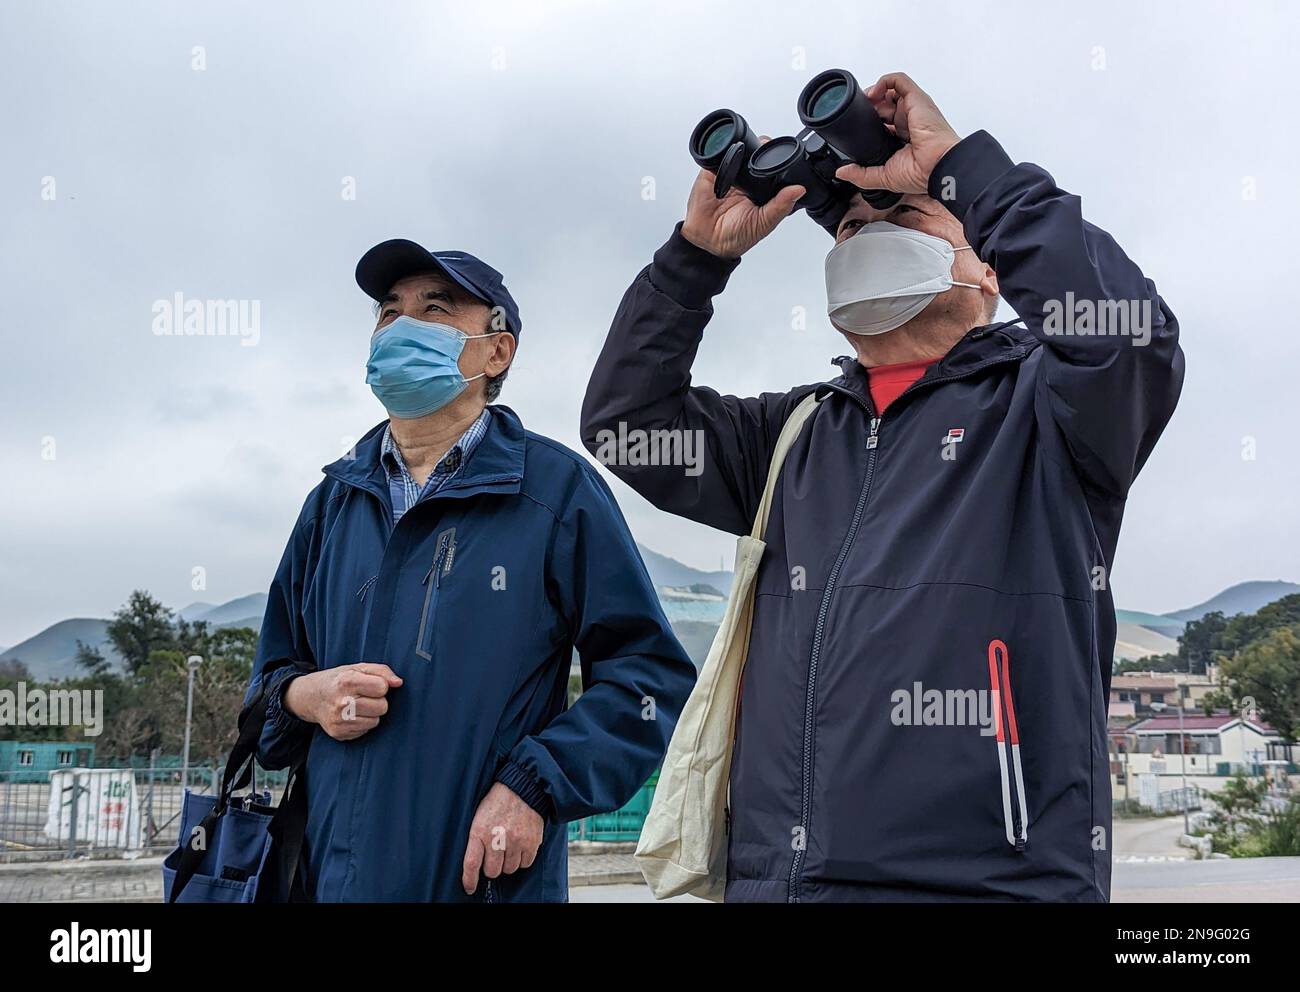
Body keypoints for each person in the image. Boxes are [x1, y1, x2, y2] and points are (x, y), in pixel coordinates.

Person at [581, 72, 1184, 902]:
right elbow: (627, 423)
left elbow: (1127, 333)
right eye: (851, 225)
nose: (866, 233)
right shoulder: (792, 435)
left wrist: (962, 172)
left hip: (986, 887)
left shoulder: (1049, 411)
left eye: (902, 217)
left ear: (988, 270)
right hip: (779, 885)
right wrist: (694, 263)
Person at [247, 238, 696, 902]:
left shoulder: (555, 492)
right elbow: (266, 698)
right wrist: (304, 698)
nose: (403, 327)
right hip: (325, 882)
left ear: (497, 351)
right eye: (389, 311)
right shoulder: (332, 505)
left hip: (482, 886)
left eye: (434, 309)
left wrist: (534, 786)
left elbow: (647, 679)